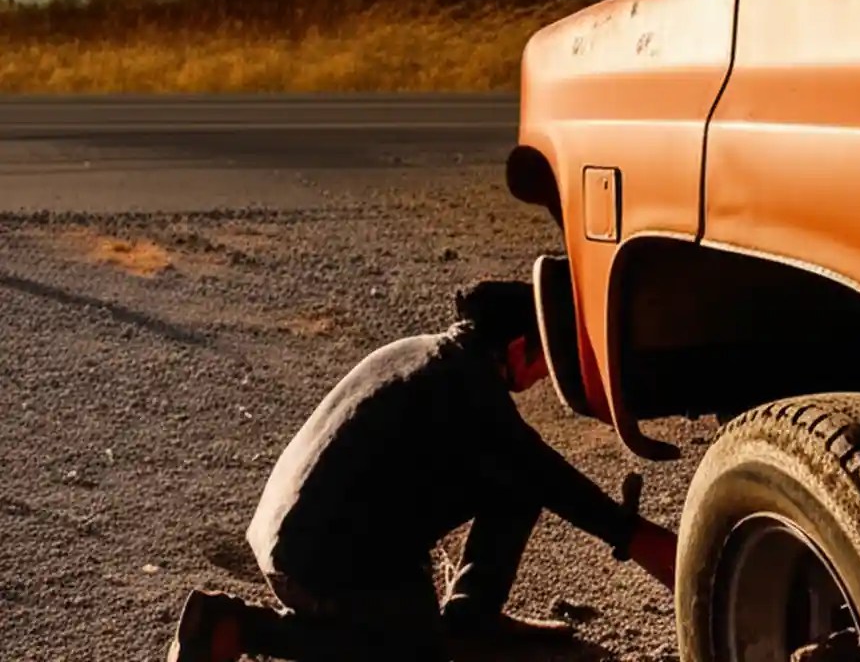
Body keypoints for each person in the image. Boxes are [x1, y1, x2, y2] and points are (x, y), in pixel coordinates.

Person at [166, 279, 678, 662]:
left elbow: (529, 468)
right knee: (415, 653)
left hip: (291, 533)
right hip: (316, 562)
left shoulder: (425, 357)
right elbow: (551, 477)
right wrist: (637, 538)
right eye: (545, 365)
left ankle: (471, 619)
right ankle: (241, 626)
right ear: (519, 349)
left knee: (517, 480)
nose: (544, 378)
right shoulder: (468, 391)